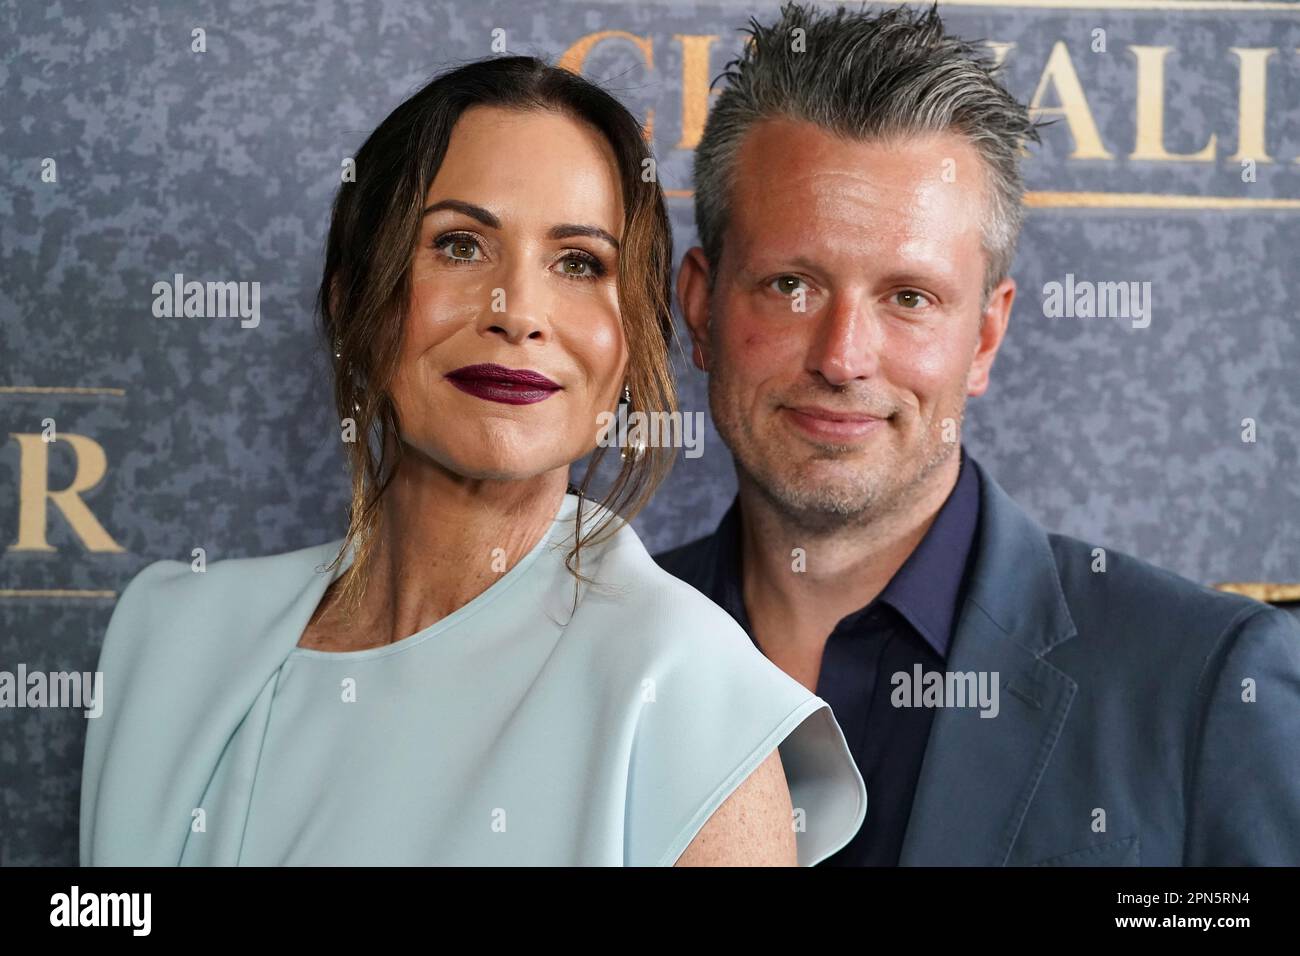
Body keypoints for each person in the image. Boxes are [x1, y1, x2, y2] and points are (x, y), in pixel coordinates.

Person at [79, 55, 866, 867]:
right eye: (460, 245)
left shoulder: (695, 700)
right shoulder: (170, 637)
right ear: (355, 304)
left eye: (579, 263)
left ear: (629, 348)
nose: (517, 311)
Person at [655, 2, 1300, 865]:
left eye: (909, 297)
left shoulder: (1207, 683)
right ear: (700, 306)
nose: (843, 357)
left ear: (986, 336)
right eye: (790, 285)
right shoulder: (590, 654)